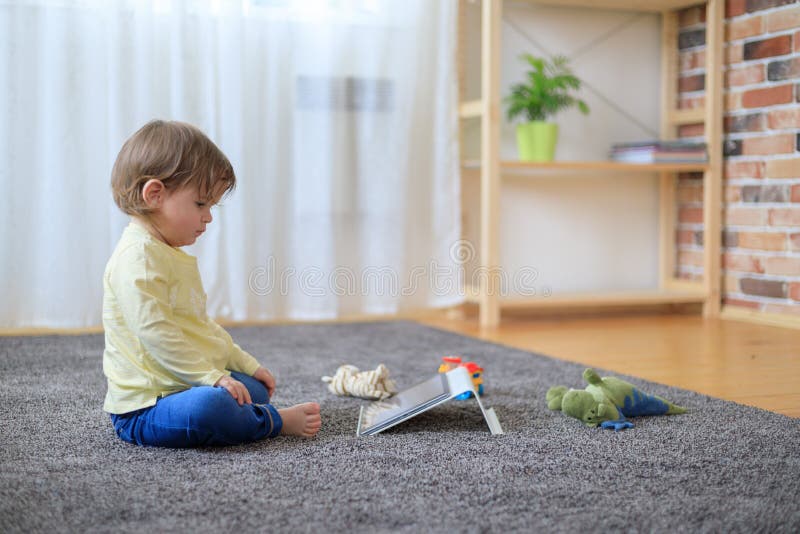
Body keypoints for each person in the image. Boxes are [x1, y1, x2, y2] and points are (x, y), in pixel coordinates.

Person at [102, 119, 321, 447]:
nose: (208, 217)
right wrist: (212, 377)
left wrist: (244, 364)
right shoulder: (138, 260)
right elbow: (157, 337)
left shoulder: (168, 252)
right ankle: (273, 421)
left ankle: (245, 410)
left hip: (181, 382)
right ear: (155, 194)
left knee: (255, 388)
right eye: (201, 204)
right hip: (147, 407)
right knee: (212, 406)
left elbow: (200, 329)